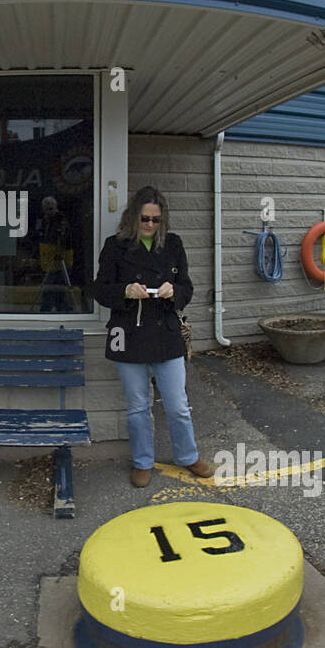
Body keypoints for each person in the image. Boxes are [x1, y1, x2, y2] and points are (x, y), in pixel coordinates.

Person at [93, 186, 208, 488]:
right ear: (133, 217)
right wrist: (125, 291)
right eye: (145, 219)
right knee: (138, 405)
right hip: (128, 332)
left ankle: (188, 455)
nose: (150, 225)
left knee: (177, 404)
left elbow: (188, 287)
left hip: (165, 331)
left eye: (156, 220)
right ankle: (142, 461)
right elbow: (99, 289)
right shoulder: (115, 246)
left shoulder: (173, 244)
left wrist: (175, 292)